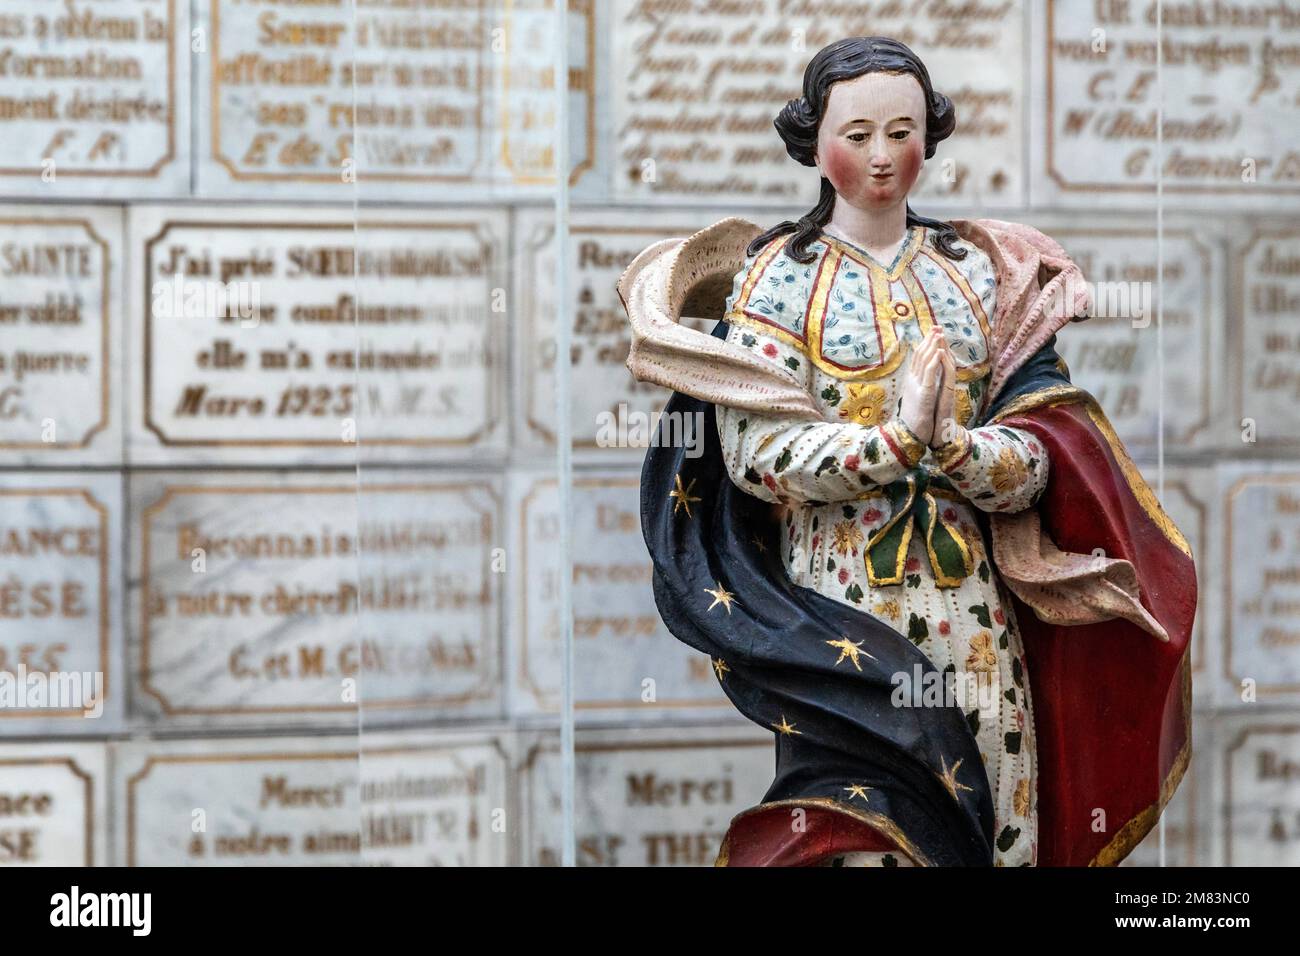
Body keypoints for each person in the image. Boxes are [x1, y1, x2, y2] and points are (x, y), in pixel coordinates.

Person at [619, 37, 1195, 867]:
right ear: (813, 140)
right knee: (868, 827)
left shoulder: (978, 272)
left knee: (996, 808)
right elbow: (757, 453)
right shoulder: (777, 280)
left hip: (972, 605)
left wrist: (960, 450)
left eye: (903, 131)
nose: (884, 158)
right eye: (858, 135)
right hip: (838, 608)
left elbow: (1040, 454)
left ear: (932, 135)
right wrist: (893, 442)